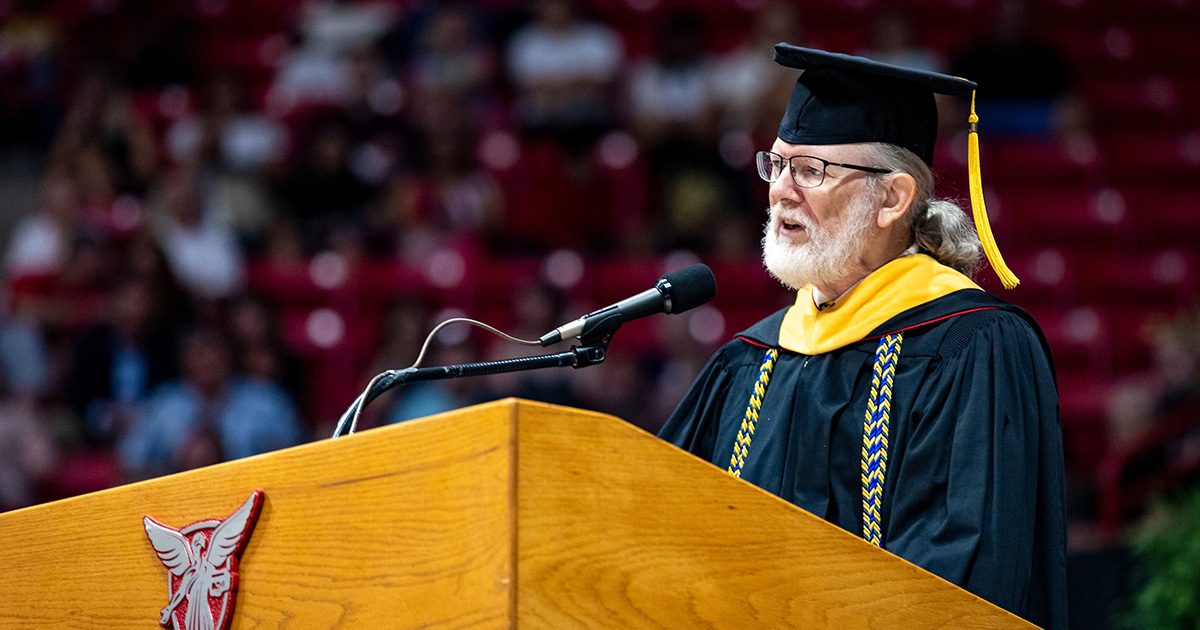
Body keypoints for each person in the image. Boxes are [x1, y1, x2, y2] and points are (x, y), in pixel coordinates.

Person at [659, 46, 1066, 629]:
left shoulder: (973, 350)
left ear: (893, 198)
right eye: (776, 166)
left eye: (811, 170)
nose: (780, 191)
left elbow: (967, 573)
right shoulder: (748, 363)